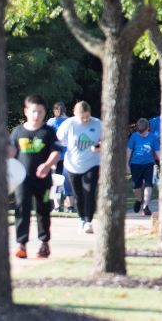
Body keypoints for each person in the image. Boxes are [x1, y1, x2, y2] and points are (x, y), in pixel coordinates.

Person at [9, 94, 62, 259]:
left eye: (40, 112)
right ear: (26, 111)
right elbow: (10, 152)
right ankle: (21, 244)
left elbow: (56, 152)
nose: (37, 115)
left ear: (45, 112)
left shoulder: (48, 132)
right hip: (22, 179)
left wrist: (47, 165)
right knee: (22, 208)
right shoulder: (18, 132)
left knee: (43, 209)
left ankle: (44, 243)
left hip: (43, 179)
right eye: (33, 111)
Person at [56, 100, 102, 234]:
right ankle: (81, 218)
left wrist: (99, 147)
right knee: (78, 194)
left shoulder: (97, 124)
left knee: (89, 192)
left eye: (87, 116)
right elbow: (58, 139)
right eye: (82, 117)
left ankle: (88, 221)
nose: (85, 120)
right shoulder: (69, 124)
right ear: (75, 114)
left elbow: (108, 140)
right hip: (73, 165)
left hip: (92, 163)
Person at [127, 117, 160, 217]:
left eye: (143, 132)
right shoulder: (134, 136)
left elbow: (158, 151)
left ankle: (145, 206)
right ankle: (139, 199)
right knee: (136, 186)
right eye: (139, 132)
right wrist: (126, 164)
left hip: (148, 164)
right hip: (135, 164)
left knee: (148, 184)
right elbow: (129, 150)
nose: (141, 134)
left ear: (148, 129)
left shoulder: (152, 137)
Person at [47, 101, 75, 213]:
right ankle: (68, 206)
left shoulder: (52, 121)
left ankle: (58, 206)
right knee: (65, 181)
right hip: (67, 156)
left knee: (57, 180)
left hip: (58, 156)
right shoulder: (70, 121)